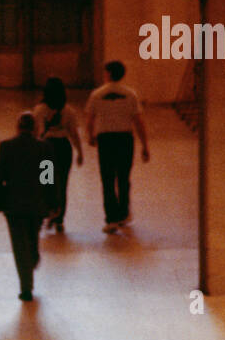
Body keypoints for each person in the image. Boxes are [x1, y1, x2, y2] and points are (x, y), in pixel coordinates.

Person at [85, 60, 150, 233]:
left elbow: (90, 119)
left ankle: (111, 219)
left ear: (108, 74)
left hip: (105, 139)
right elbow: (138, 121)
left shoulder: (97, 94)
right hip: (125, 139)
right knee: (123, 178)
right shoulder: (131, 94)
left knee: (107, 179)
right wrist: (145, 145)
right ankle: (123, 213)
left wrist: (90, 136)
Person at [0, 112, 49, 302]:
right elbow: (47, 178)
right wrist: (52, 201)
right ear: (35, 128)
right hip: (37, 201)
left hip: (13, 203)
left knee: (18, 245)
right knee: (32, 236)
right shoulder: (44, 147)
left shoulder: (6, 146)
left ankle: (26, 286)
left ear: (18, 127)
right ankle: (32, 258)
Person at [34, 78, 83, 234]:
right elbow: (74, 134)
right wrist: (80, 151)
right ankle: (60, 218)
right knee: (62, 183)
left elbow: (35, 132)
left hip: (46, 148)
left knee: (46, 181)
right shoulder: (69, 110)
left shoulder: (39, 110)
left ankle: (47, 211)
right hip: (63, 148)